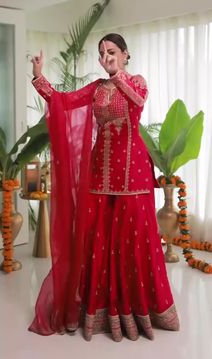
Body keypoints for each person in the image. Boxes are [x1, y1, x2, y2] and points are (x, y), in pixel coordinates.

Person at [29, 33, 179, 342]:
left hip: (133, 173)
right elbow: (63, 101)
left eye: (112, 51)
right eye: (102, 52)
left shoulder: (136, 81)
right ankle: (96, 310)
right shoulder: (97, 89)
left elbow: (138, 101)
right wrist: (39, 77)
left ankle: (141, 311)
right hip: (100, 173)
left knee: (135, 238)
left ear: (125, 54)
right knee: (97, 236)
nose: (106, 56)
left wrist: (118, 75)